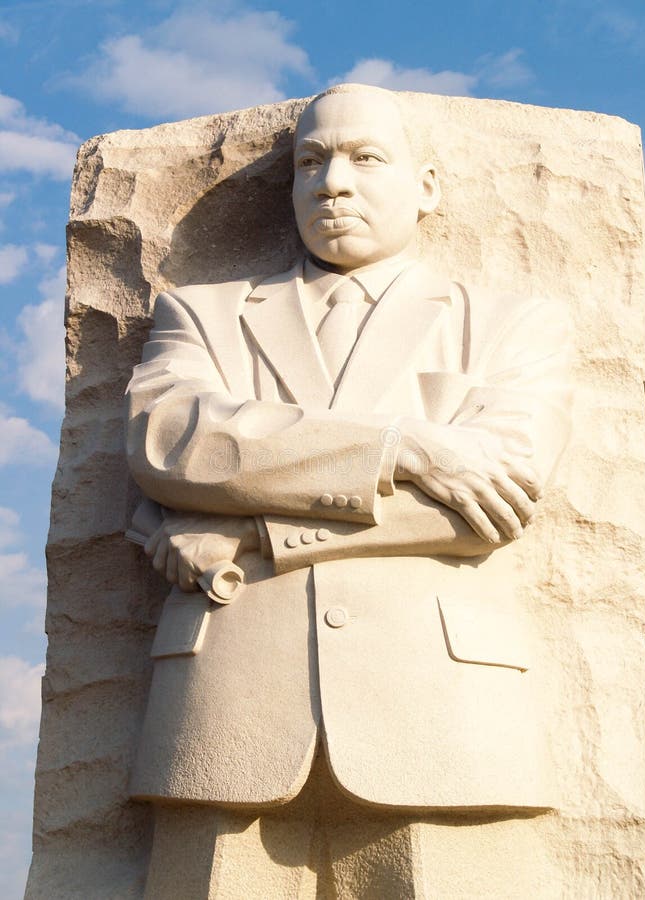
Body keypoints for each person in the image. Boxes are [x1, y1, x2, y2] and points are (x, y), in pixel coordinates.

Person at [125, 83, 571, 897]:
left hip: (441, 703)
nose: (332, 183)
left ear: (427, 185)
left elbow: (488, 506)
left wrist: (251, 533)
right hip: (227, 700)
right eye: (311, 162)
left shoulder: (508, 323)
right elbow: (170, 442)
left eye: (367, 158)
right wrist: (401, 447)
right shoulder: (201, 316)